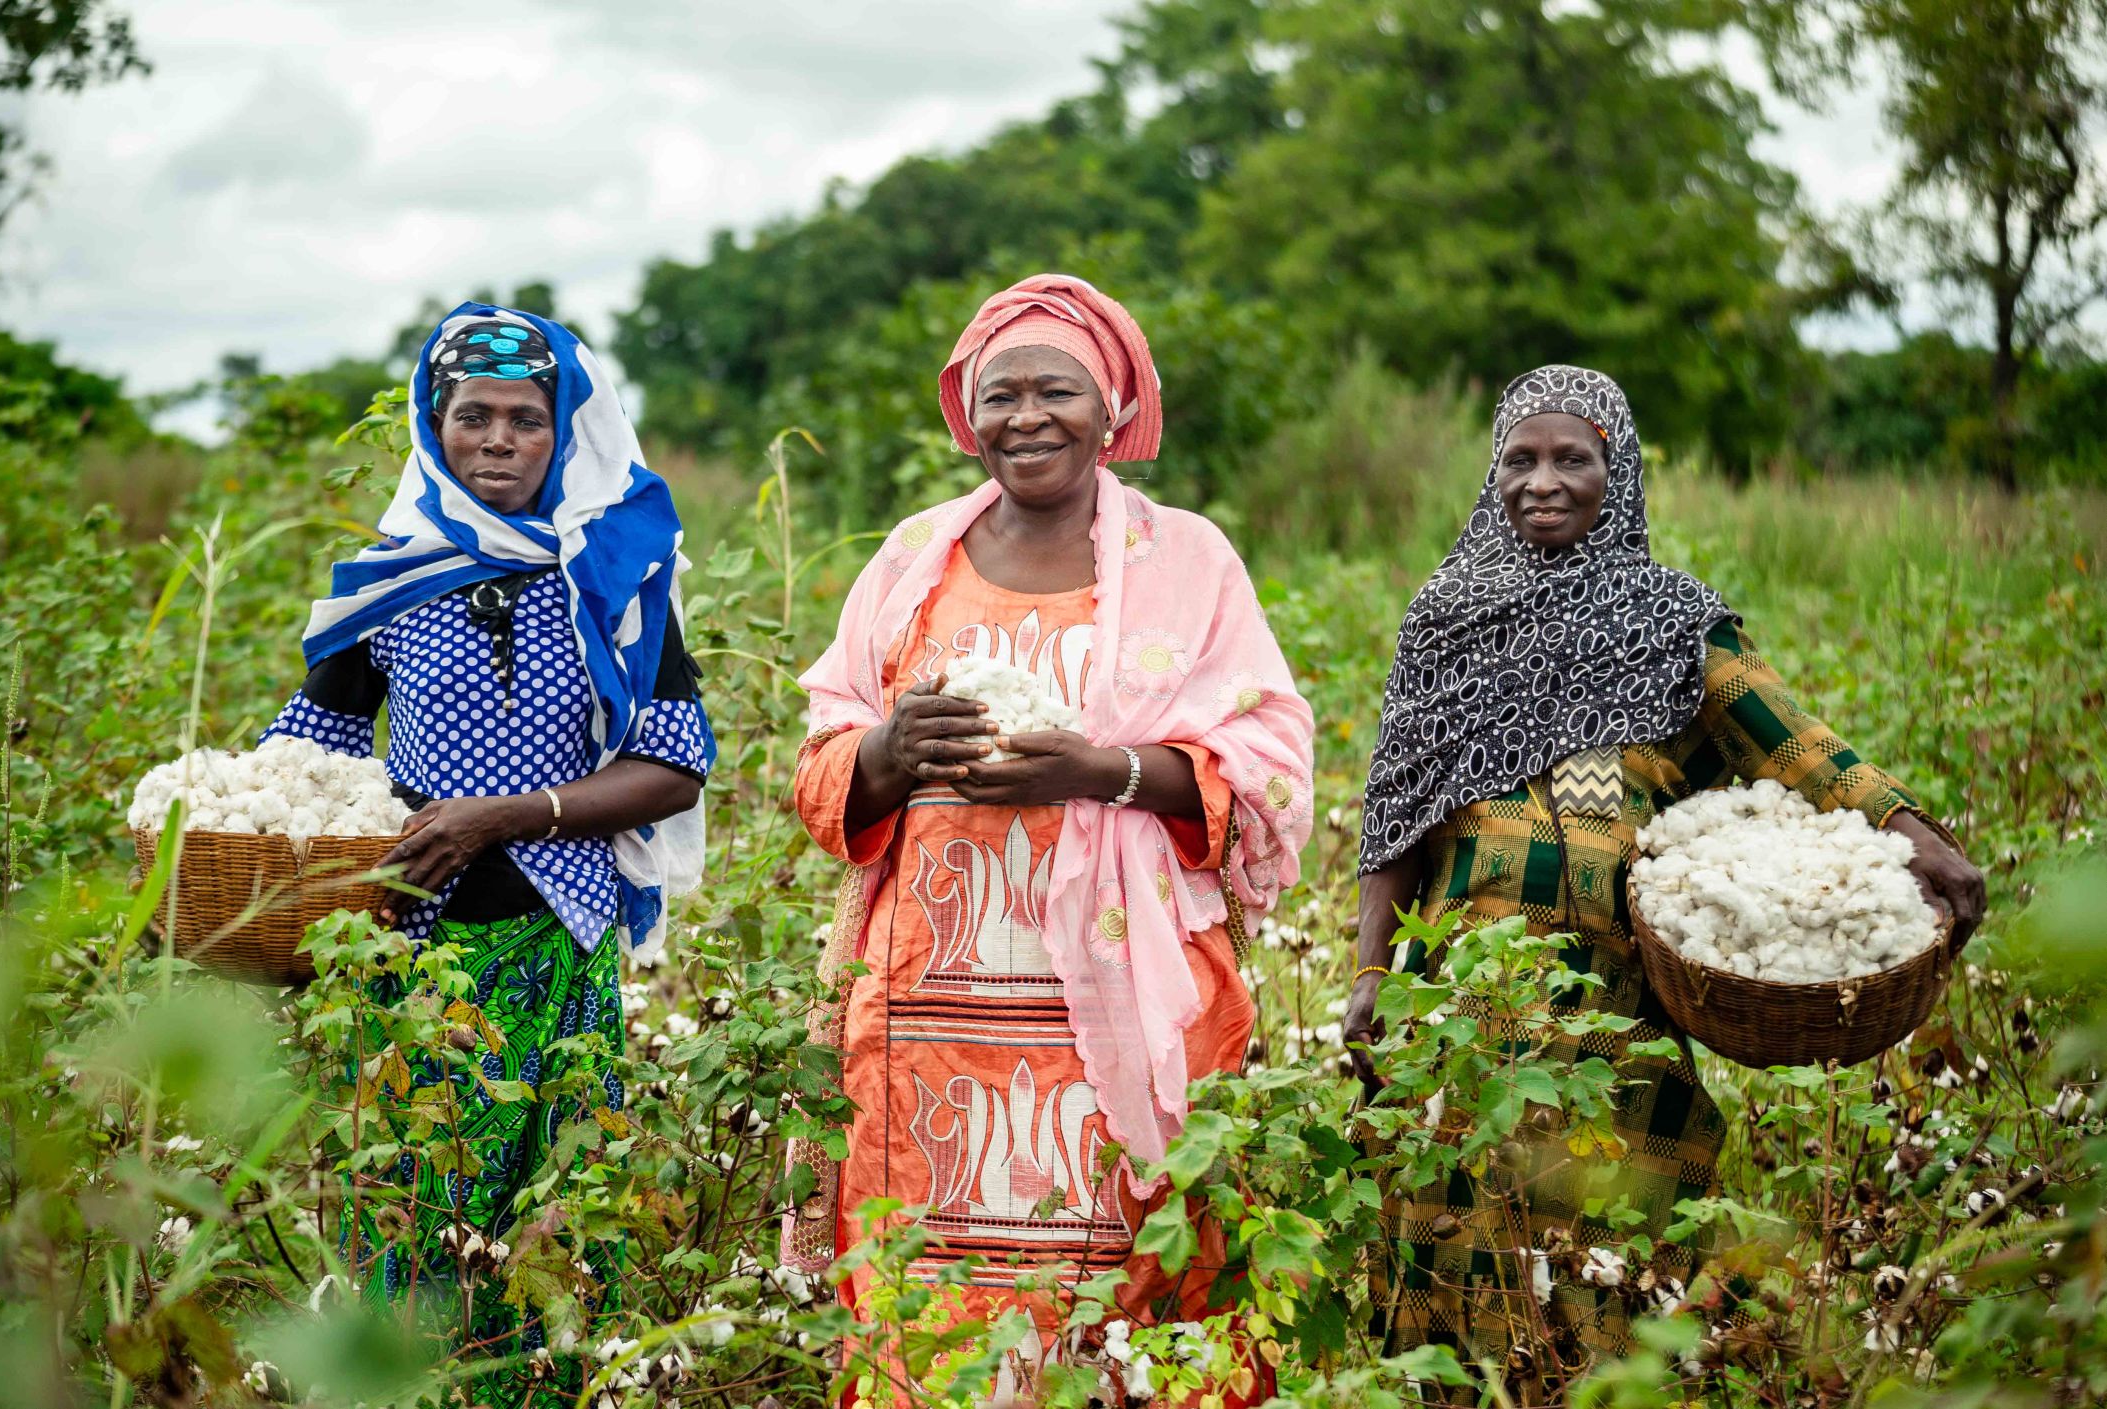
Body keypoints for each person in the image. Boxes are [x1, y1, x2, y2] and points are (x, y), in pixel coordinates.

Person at [1343, 364, 1984, 1386]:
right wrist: (1370, 972)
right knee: (1453, 1230)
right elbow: (1393, 820)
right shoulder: (1445, 619)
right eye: (1519, 457)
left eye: (1572, 458)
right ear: (1490, 472)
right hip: (1459, 1005)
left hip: (1619, 1004)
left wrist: (1913, 832)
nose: (1540, 480)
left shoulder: (1672, 622)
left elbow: (1789, 740)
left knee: (1624, 1233)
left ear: (1621, 472)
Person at [785, 274, 1314, 1401]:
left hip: (1115, 1006)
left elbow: (1265, 758)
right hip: (932, 1009)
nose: (1026, 415)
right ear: (965, 415)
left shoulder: (1188, 561)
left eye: (1055, 390)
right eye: (999, 394)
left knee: (1124, 1278)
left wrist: (1102, 769)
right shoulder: (910, 560)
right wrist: (888, 748)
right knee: (928, 1285)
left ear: (1113, 406)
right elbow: (824, 753)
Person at [262, 304, 715, 1400]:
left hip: (560, 951)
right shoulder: (391, 581)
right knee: (411, 1233)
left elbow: (674, 761)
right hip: (412, 973)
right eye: (473, 416)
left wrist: (497, 813)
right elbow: (306, 756)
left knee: (557, 1236)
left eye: (526, 418)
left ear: (565, 432)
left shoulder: (611, 574)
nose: (499, 439)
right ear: (435, 423)